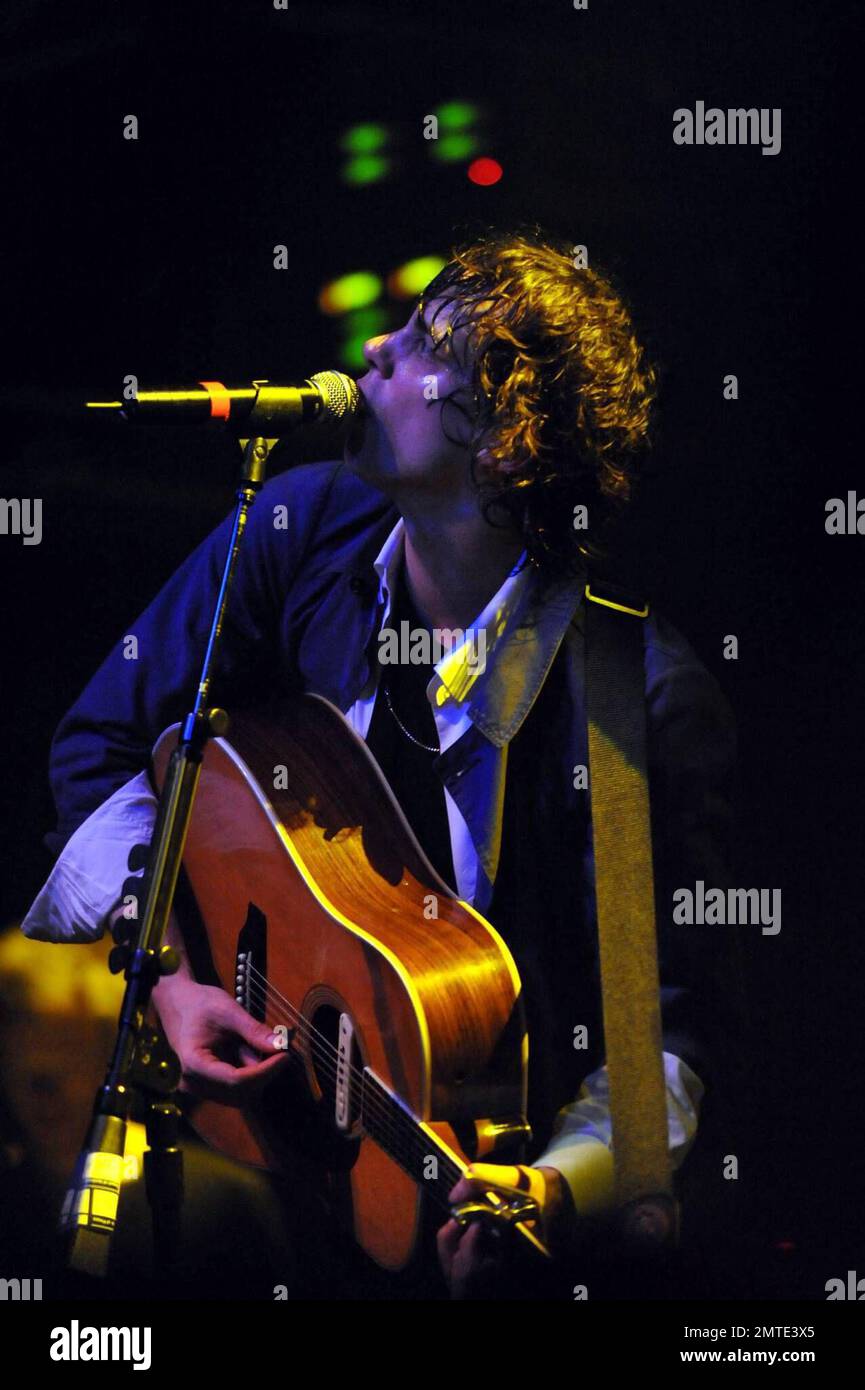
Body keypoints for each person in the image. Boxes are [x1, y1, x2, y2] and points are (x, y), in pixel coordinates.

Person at [21, 227, 739, 1300]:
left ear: (507, 438)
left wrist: (545, 1191)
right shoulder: (301, 525)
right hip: (284, 1167)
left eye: (422, 343)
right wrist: (168, 973)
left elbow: (660, 1052)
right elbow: (105, 744)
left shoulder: (637, 703)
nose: (371, 348)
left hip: (474, 1215)